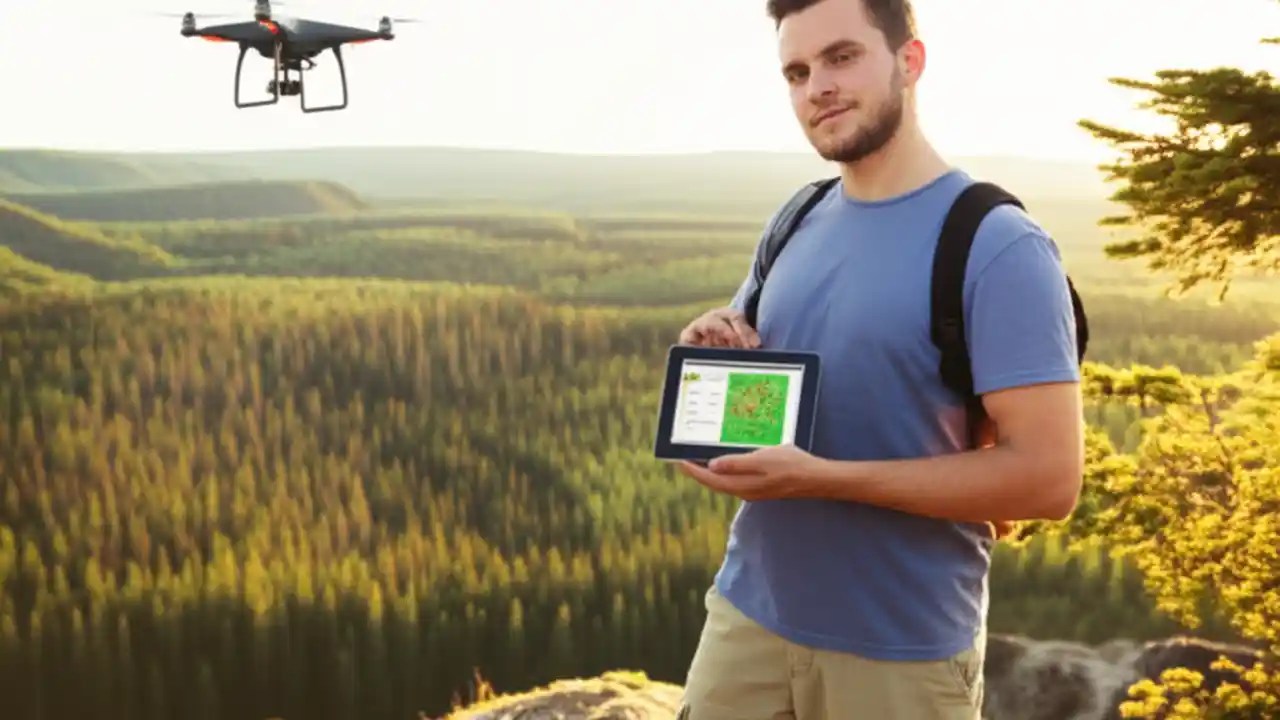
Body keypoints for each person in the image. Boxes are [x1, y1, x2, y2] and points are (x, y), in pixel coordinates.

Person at [673, 0, 1085, 718]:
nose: (816, 88)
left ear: (909, 61)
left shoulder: (998, 245)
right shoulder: (797, 217)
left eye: (841, 57)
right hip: (746, 617)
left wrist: (825, 481)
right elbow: (764, 394)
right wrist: (710, 345)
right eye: (797, 72)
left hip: (901, 653)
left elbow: (1049, 480)